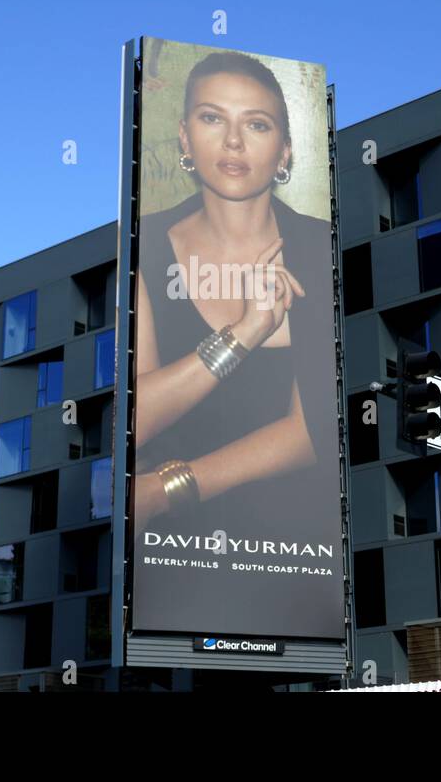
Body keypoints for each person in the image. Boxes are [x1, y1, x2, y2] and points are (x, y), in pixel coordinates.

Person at [133, 51, 337, 538]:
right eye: (211, 118)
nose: (232, 142)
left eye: (257, 125)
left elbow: (316, 430)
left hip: (300, 557)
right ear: (184, 135)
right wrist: (243, 335)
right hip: (174, 554)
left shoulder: (321, 247)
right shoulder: (143, 245)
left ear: (285, 151)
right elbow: (132, 423)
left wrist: (169, 489)